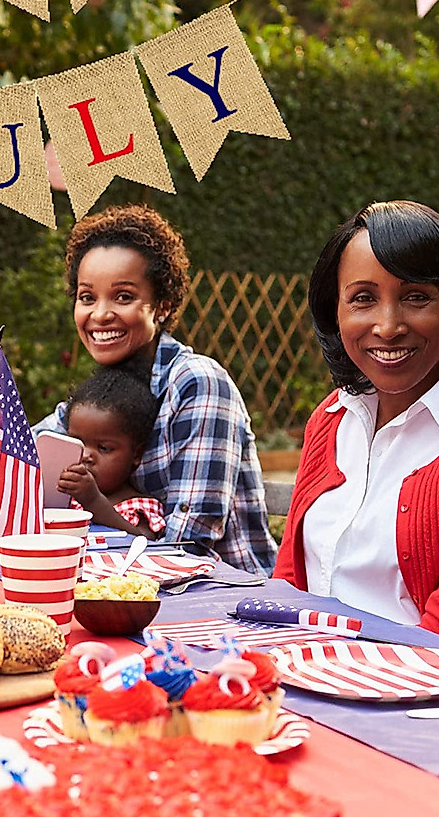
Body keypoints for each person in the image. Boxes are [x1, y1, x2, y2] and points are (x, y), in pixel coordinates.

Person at [37, 205, 276, 573]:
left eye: (123, 297)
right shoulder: (93, 398)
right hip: (123, 585)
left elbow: (188, 546)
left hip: (225, 596)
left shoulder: (198, 385)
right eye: (87, 298)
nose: (100, 314)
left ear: (162, 306)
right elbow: (21, 456)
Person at [275, 200, 439, 631]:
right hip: (306, 675)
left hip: (409, 690)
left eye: (416, 297)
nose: (388, 326)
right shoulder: (332, 417)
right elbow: (288, 584)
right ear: (336, 310)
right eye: (363, 298)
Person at [57, 367, 166, 539]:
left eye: (104, 448)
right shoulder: (65, 499)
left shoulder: (140, 506)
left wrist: (93, 501)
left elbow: (145, 544)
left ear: (136, 455)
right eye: (78, 443)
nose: (86, 456)